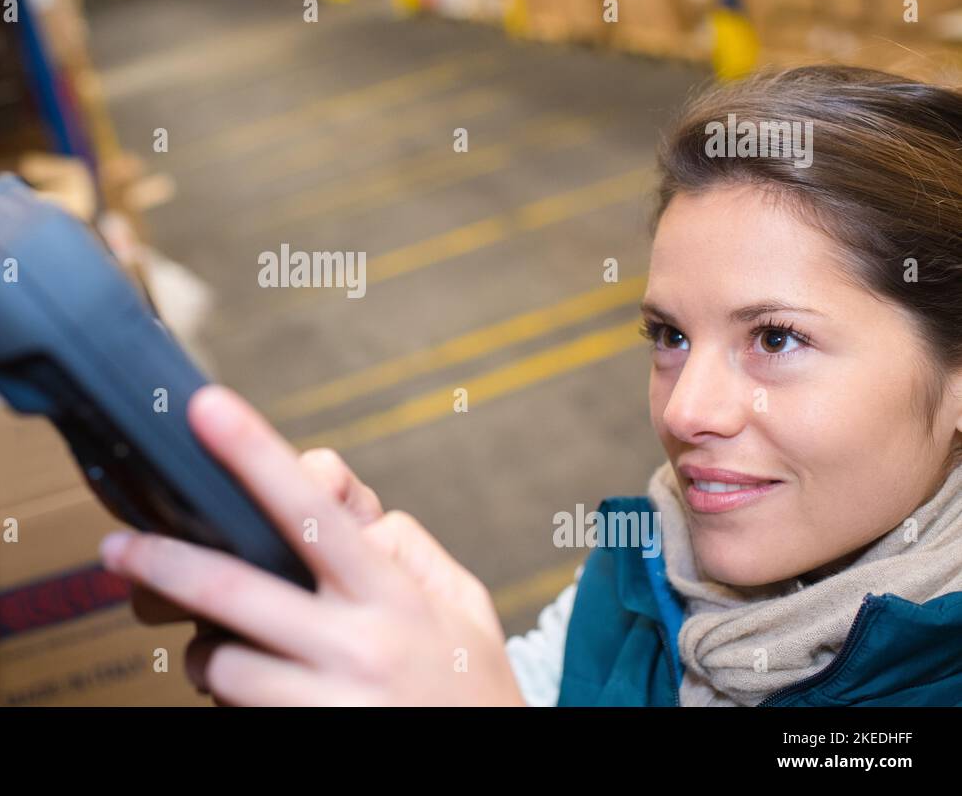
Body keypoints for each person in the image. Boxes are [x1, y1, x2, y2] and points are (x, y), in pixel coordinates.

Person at [98, 65, 962, 706]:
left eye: (775, 338)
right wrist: (377, 630)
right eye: (668, 336)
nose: (686, 410)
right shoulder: (649, 560)